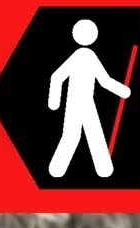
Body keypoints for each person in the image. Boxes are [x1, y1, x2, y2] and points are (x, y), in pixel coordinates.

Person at [47, 19, 130, 178]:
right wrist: (54, 102)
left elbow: (104, 80)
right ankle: (57, 170)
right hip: (75, 104)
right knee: (75, 135)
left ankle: (103, 170)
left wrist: (122, 90)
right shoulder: (80, 56)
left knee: (93, 134)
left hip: (86, 104)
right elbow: (56, 77)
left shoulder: (90, 56)